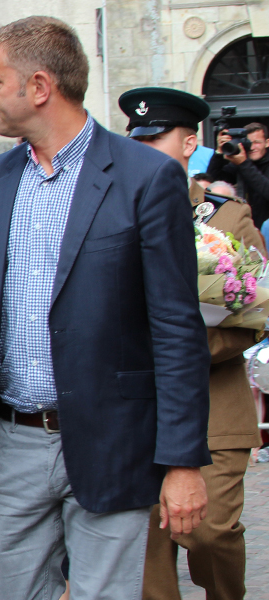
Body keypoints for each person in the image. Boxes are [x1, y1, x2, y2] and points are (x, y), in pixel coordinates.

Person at [0, 17, 211, 599]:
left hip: (116, 442)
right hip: (15, 443)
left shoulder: (146, 177)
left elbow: (176, 330)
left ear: (39, 87)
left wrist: (183, 462)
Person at [119, 86, 263, 600]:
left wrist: (182, 350)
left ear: (187, 144)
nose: (144, 148)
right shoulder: (115, 217)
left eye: (158, 139)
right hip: (139, 410)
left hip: (212, 407)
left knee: (208, 531)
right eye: (138, 139)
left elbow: (255, 315)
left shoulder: (227, 220)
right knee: (149, 551)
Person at [208, 121, 269, 228]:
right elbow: (214, 181)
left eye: (257, 142)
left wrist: (244, 164)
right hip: (245, 228)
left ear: (267, 143)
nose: (252, 147)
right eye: (249, 142)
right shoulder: (240, 163)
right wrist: (218, 153)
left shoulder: (243, 163)